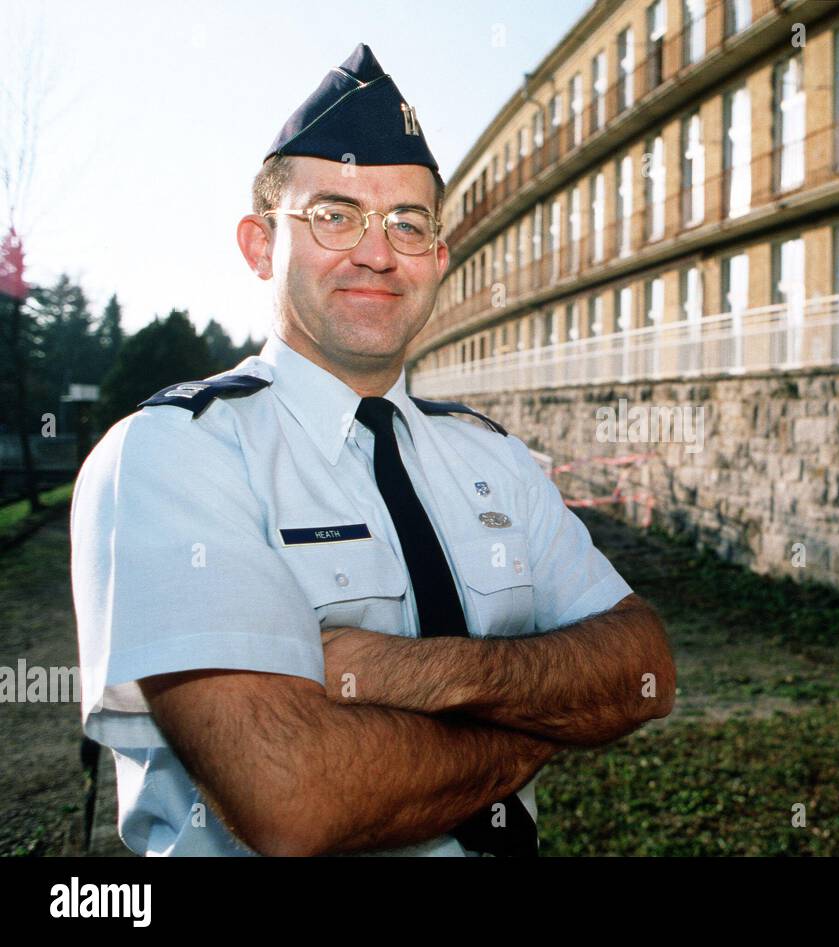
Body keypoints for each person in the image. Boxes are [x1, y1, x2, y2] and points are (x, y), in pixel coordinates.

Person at [70, 43, 675, 857]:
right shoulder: (172, 455)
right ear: (258, 245)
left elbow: (643, 668)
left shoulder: (491, 457)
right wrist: (548, 716)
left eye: (408, 223)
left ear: (439, 257)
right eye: (335, 215)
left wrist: (401, 671)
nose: (377, 252)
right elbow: (295, 799)